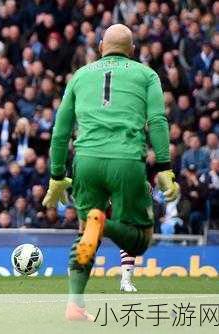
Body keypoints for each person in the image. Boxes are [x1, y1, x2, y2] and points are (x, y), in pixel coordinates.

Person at [42, 24, 179, 321]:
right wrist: (165, 168)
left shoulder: (79, 76)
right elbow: (157, 121)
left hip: (86, 161)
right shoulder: (147, 75)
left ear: (101, 46)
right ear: (132, 50)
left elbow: (60, 132)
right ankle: (103, 222)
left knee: (85, 236)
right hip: (126, 161)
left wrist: (56, 176)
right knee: (138, 240)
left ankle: (75, 304)